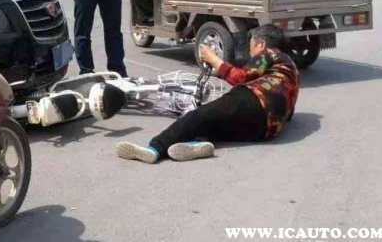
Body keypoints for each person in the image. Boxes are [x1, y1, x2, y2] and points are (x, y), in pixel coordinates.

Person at [115, 24, 300, 163]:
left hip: (257, 98)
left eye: (251, 46)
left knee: (199, 115)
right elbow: (289, 113)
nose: (251, 53)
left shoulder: (269, 53)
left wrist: (213, 59)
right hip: (266, 130)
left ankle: (155, 148)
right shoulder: (292, 70)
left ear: (262, 44)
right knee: (217, 123)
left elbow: (241, 77)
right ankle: (198, 143)